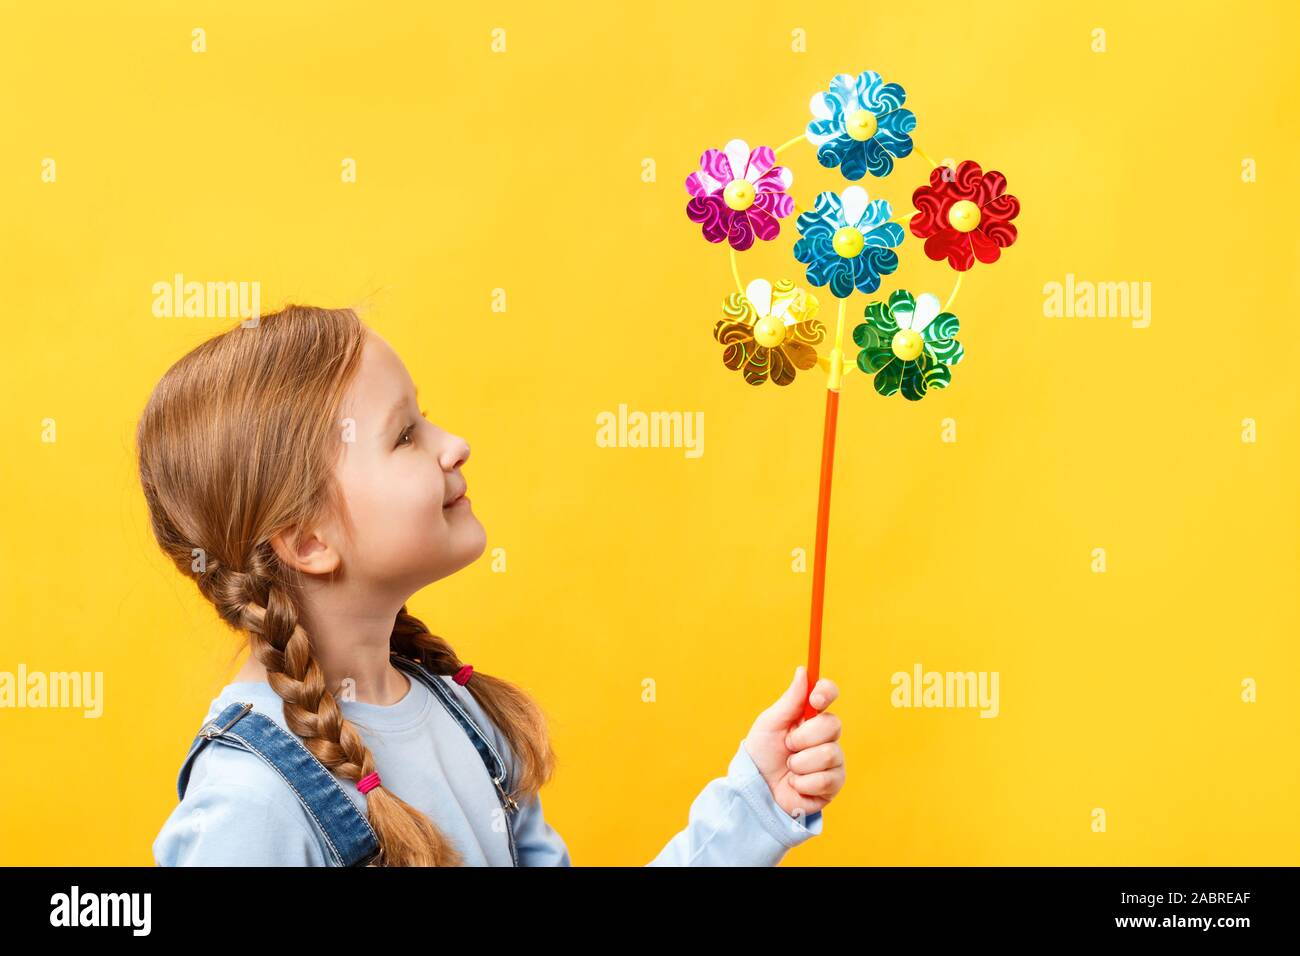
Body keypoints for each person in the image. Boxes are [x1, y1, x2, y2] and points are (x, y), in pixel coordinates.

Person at [140, 304, 845, 866]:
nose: (454, 444)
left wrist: (755, 801)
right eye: (406, 435)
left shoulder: (469, 719)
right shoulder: (251, 804)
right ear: (307, 542)